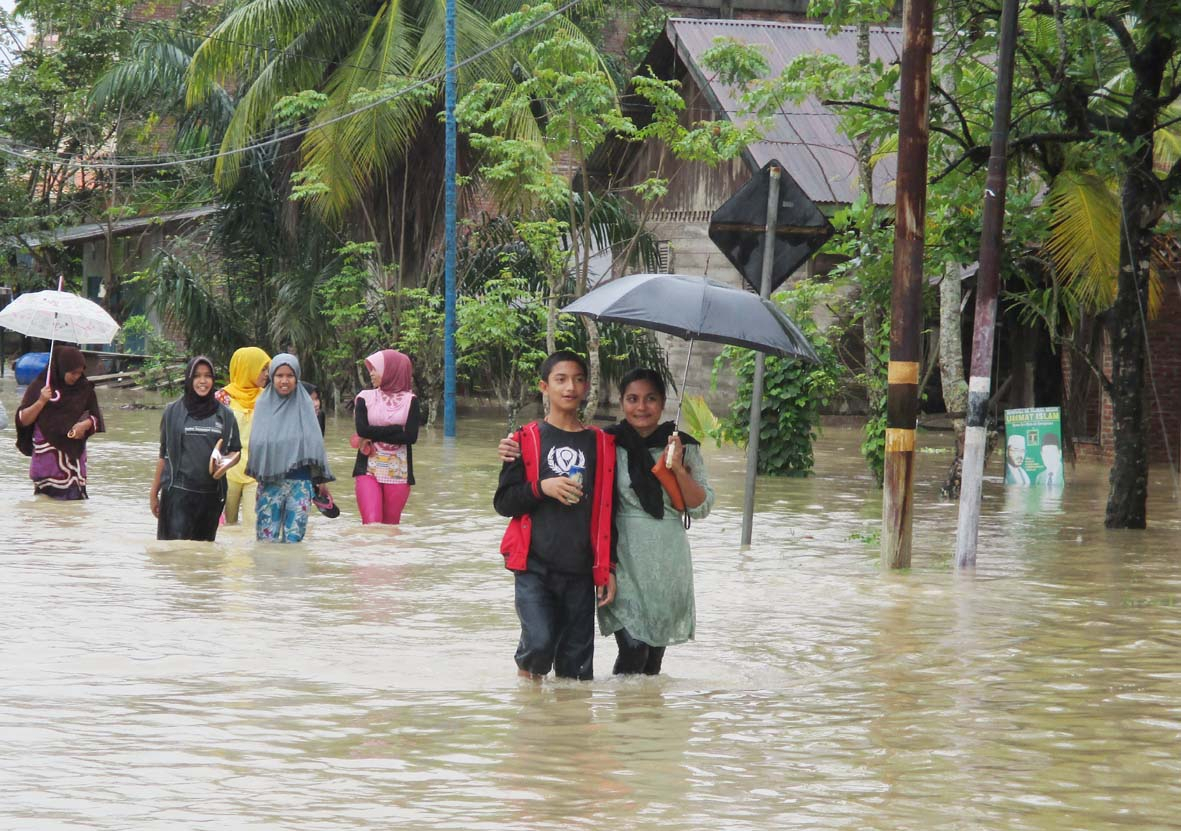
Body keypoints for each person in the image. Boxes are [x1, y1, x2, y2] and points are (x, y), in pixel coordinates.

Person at [499, 368, 714, 676]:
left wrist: (678, 468)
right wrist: (515, 447)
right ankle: (615, 704)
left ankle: (639, 707)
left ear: (663, 401)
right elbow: (562, 454)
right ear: (621, 402)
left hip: (667, 562)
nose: (641, 407)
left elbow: (700, 507)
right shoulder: (607, 443)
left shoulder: (683, 446)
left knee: (652, 660)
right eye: (632, 399)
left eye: (651, 399)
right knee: (634, 649)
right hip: (622, 558)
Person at [493, 350, 617, 682]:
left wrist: (608, 568)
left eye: (578, 380)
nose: (570, 387)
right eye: (560, 380)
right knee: (538, 644)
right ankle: (528, 704)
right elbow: (504, 503)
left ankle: (566, 717)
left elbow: (610, 510)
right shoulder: (525, 439)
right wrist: (541, 488)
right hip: (534, 565)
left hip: (580, 570)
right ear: (544, 387)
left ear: (587, 386)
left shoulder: (601, 443)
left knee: (576, 670)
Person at [150, 357, 242, 541]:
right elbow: (163, 455)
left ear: (213, 379)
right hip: (177, 493)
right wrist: (154, 493)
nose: (203, 381)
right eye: (197, 376)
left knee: (203, 553)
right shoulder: (172, 412)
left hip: (211, 496)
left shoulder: (226, 415)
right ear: (189, 379)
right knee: (174, 552)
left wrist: (224, 462)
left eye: (207, 376)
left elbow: (235, 451)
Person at [246, 354, 335, 543]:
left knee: (294, 542)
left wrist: (320, 482)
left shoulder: (306, 405)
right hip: (269, 483)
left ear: (297, 377)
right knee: (266, 541)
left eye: (290, 375)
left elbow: (315, 446)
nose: (284, 381)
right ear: (272, 377)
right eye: (279, 375)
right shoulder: (263, 404)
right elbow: (257, 444)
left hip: (300, 484)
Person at [14, 345, 104, 499]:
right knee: (45, 505)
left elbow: (96, 418)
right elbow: (23, 420)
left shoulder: (84, 389)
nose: (76, 376)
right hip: (47, 462)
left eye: (80, 372)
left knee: (74, 504)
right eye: (72, 373)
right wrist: (41, 401)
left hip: (74, 462)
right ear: (62, 369)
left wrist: (84, 425)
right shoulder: (40, 387)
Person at [352, 349, 420, 525]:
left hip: (399, 473)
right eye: (371, 369)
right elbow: (362, 430)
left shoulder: (411, 401)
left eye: (376, 369)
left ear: (391, 371)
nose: (371, 373)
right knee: (372, 523)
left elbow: (410, 437)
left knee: (390, 527)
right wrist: (395, 429)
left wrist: (375, 433)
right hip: (368, 470)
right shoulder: (364, 398)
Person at [214, 346, 270, 525]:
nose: (267, 374)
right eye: (262, 369)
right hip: (226, 470)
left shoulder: (268, 398)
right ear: (248, 369)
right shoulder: (221, 398)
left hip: (256, 472)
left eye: (267, 369)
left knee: (252, 525)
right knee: (225, 526)